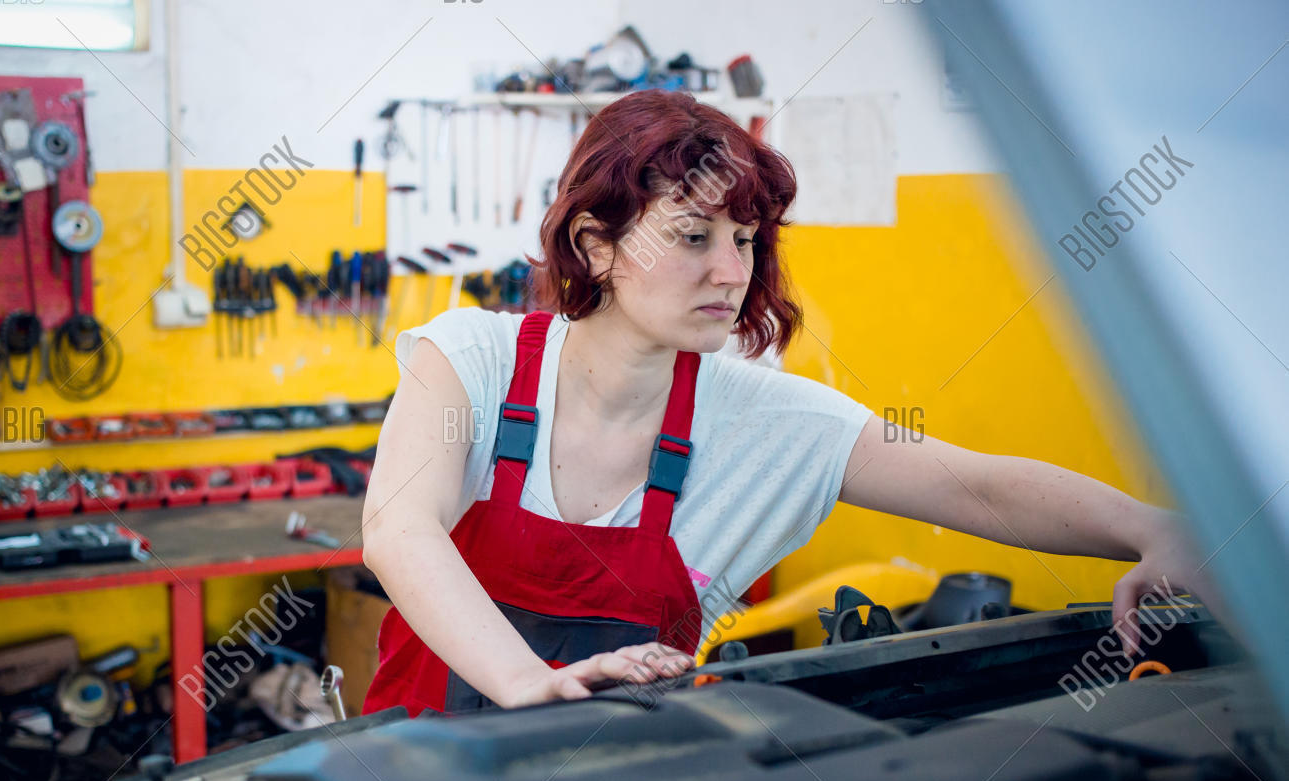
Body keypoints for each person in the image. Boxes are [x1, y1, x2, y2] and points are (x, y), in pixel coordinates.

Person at [359, 90, 1214, 718]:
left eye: (743, 241)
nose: (731, 274)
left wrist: (1155, 530)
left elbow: (972, 488)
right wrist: (525, 681)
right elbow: (399, 529)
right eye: (693, 237)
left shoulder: (763, 425)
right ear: (597, 245)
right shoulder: (471, 361)